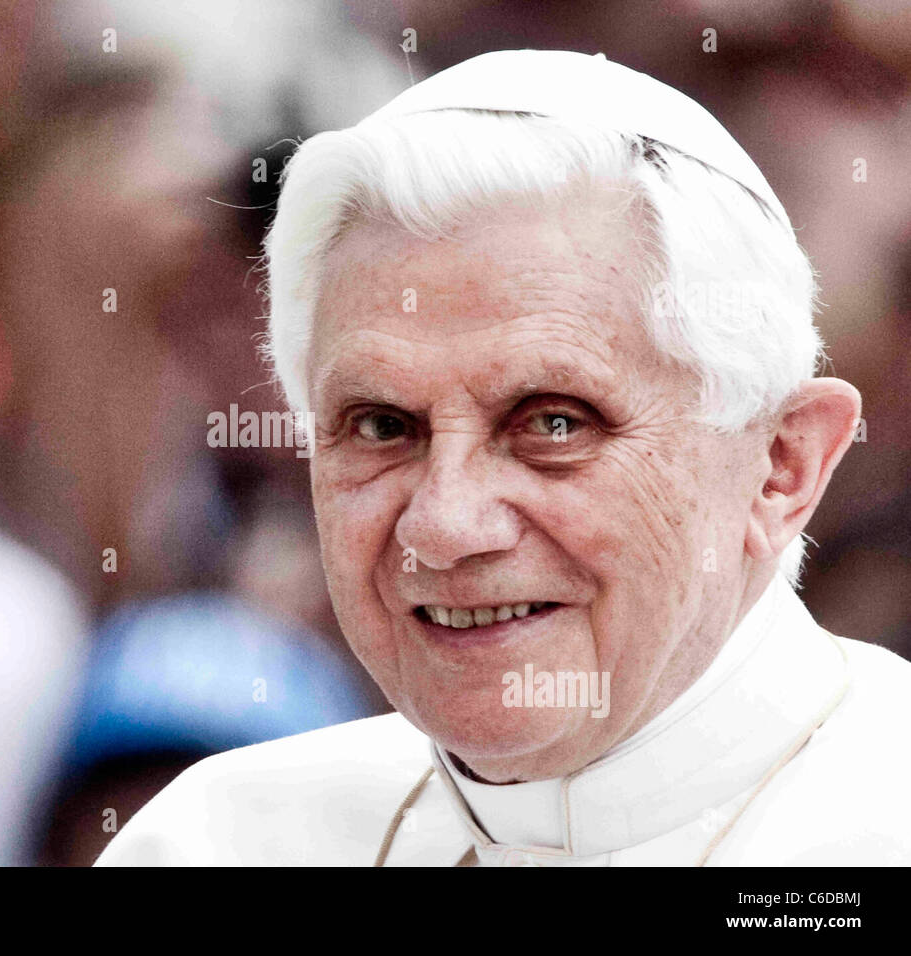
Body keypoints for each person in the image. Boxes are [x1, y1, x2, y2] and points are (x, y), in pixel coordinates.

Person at [96, 49, 911, 866]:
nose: (445, 525)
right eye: (383, 426)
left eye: (554, 424)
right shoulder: (212, 842)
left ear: (782, 466)